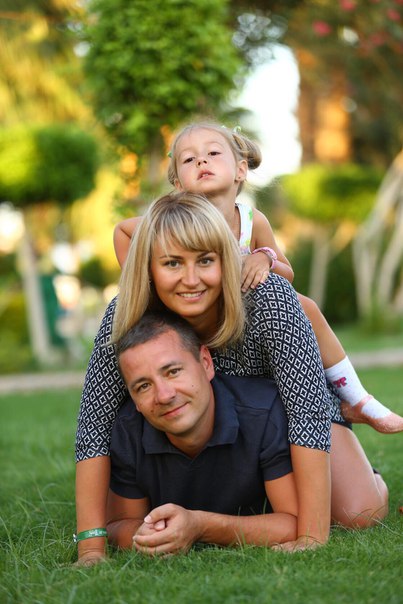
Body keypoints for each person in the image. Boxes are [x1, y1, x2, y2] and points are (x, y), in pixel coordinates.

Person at [75, 191, 388, 565]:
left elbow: (306, 413)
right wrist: (91, 549)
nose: (191, 279)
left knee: (357, 513)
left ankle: (370, 478)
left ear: (226, 259)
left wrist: (310, 535)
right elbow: (94, 424)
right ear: (149, 268)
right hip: (206, 429)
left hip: (292, 409)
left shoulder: (269, 299)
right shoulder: (127, 312)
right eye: (172, 263)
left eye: (205, 260)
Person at [114, 121, 403, 435]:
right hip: (194, 313)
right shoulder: (171, 223)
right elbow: (123, 231)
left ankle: (356, 397)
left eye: (213, 153)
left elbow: (287, 274)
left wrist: (264, 257)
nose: (201, 161)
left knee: (305, 306)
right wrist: (147, 286)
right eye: (188, 159)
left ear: (240, 170)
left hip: (245, 314)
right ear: (178, 183)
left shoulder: (252, 221)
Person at [106, 311, 298, 554]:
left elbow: (294, 524)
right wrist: (152, 535)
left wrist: (201, 526)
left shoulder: (263, 412)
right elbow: (117, 525)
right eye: (143, 386)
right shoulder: (129, 430)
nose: (164, 395)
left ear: (206, 363)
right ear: (133, 399)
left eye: (173, 371)